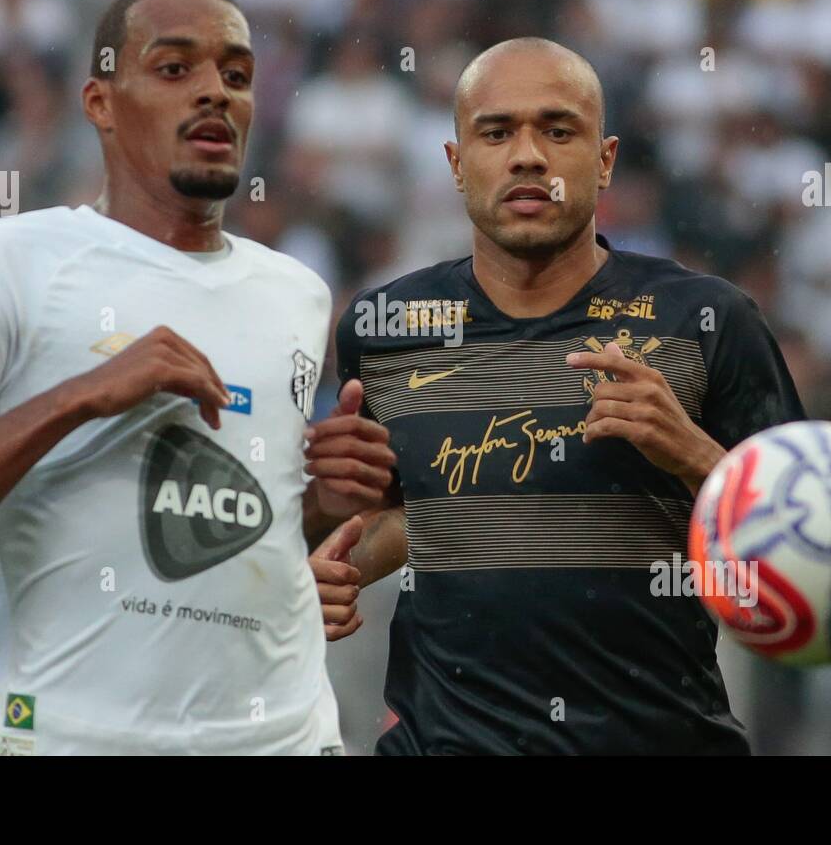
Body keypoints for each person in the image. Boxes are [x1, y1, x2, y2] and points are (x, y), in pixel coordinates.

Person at [0, 0, 396, 755]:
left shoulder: (295, 292)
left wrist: (323, 504)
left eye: (236, 75)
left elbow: (221, 530)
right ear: (99, 102)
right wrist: (80, 397)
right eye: (174, 69)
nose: (214, 94)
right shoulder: (6, 263)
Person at [318, 37, 805, 754]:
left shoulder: (706, 320)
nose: (526, 156)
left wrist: (695, 456)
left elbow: (802, 555)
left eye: (556, 129)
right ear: (457, 165)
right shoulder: (386, 328)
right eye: (496, 132)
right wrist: (337, 569)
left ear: (604, 160)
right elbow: (413, 514)